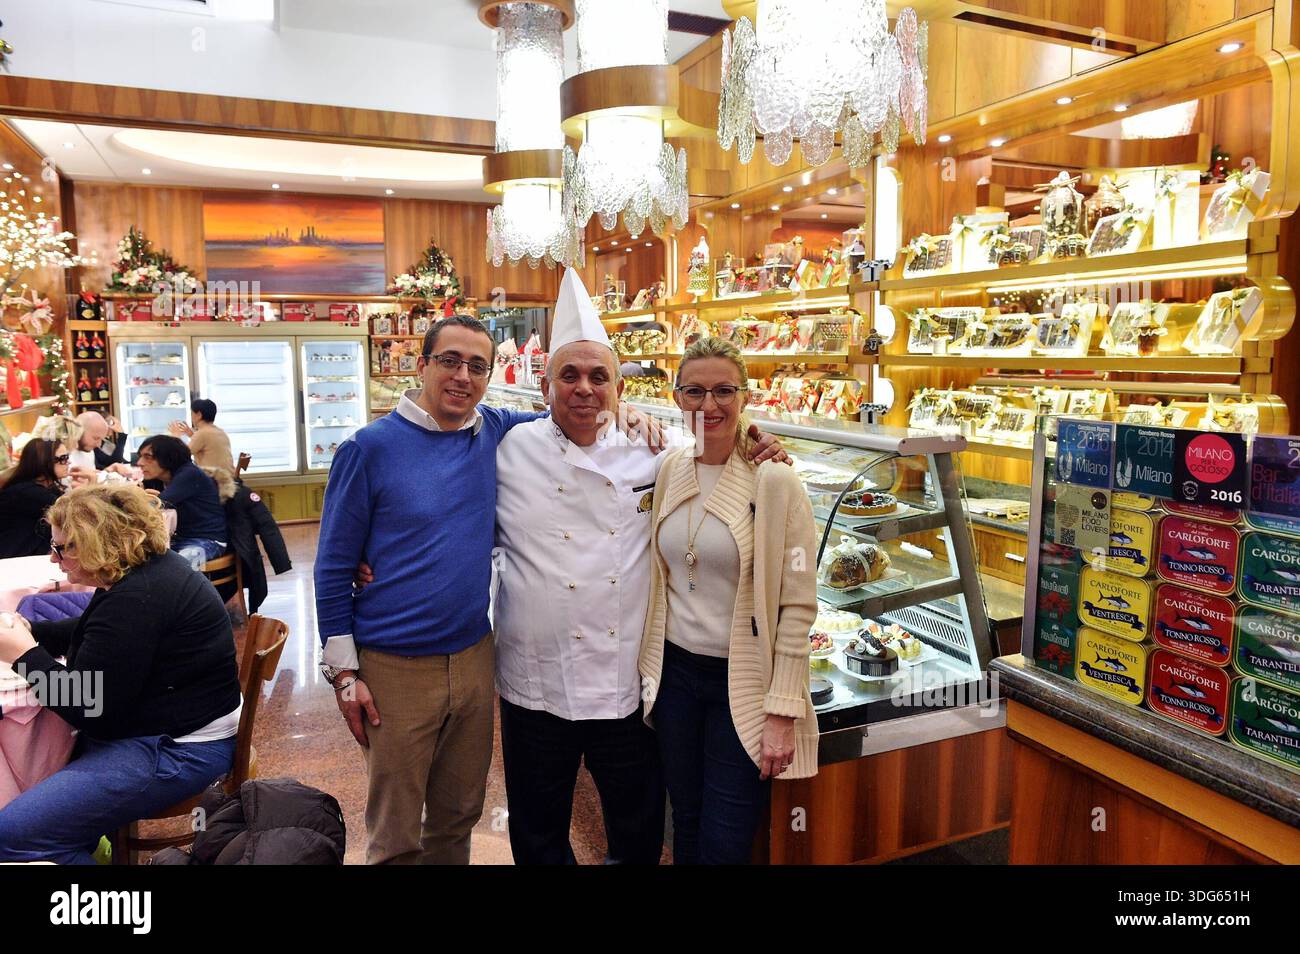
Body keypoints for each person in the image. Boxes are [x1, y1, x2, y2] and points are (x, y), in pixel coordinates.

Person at [321, 311, 668, 865]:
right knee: (399, 825)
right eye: (450, 361)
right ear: (422, 364)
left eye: (477, 365)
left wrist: (639, 414)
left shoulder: (500, 433)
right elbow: (333, 563)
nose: (463, 376)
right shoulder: (379, 446)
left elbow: (709, 443)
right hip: (415, 665)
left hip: (493, 658)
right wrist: (343, 672)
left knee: (461, 812)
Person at [493, 270, 789, 865]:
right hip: (533, 684)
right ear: (544, 384)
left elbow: (719, 460)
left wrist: (762, 446)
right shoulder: (507, 447)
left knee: (637, 829)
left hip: (625, 684)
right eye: (569, 376)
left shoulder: (656, 455)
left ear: (619, 388)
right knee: (537, 832)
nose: (584, 388)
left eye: (598, 376)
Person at [638, 336, 819, 865]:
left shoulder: (776, 480)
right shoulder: (671, 468)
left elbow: (798, 603)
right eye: (694, 391)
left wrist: (783, 709)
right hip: (674, 678)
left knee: (726, 838)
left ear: (744, 396)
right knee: (686, 822)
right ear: (675, 397)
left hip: (739, 682)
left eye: (723, 391)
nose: (708, 405)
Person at [0, 483, 241, 865]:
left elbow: (90, 708)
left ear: (99, 545)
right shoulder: (145, 572)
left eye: (63, 548)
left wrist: (25, 656)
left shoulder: (137, 598)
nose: (53, 558)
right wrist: (32, 632)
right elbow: (93, 630)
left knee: (12, 835)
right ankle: (83, 843)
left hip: (180, 749)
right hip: (177, 728)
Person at [137, 434, 227, 570]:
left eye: (148, 457)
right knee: (137, 561)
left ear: (168, 458)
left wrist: (142, 498)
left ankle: (196, 591)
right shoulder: (159, 478)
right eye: (141, 456)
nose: (140, 462)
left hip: (208, 540)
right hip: (179, 539)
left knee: (176, 569)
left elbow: (154, 505)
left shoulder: (189, 474)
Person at [0, 439, 69, 558]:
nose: (68, 462)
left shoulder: (46, 488)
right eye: (63, 458)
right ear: (44, 462)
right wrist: (91, 481)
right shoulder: (26, 493)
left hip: (26, 558)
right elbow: (74, 510)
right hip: (12, 562)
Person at [170, 397, 236, 472]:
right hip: (228, 478)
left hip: (214, 480)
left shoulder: (202, 433)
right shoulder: (220, 431)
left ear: (199, 415)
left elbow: (182, 455)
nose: (191, 417)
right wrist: (191, 434)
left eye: (192, 413)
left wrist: (176, 436)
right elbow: (206, 444)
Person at [73, 410, 132, 478]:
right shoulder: (66, 454)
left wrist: (110, 469)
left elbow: (93, 476)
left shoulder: (91, 450)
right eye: (96, 438)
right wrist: (121, 435)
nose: (98, 444)